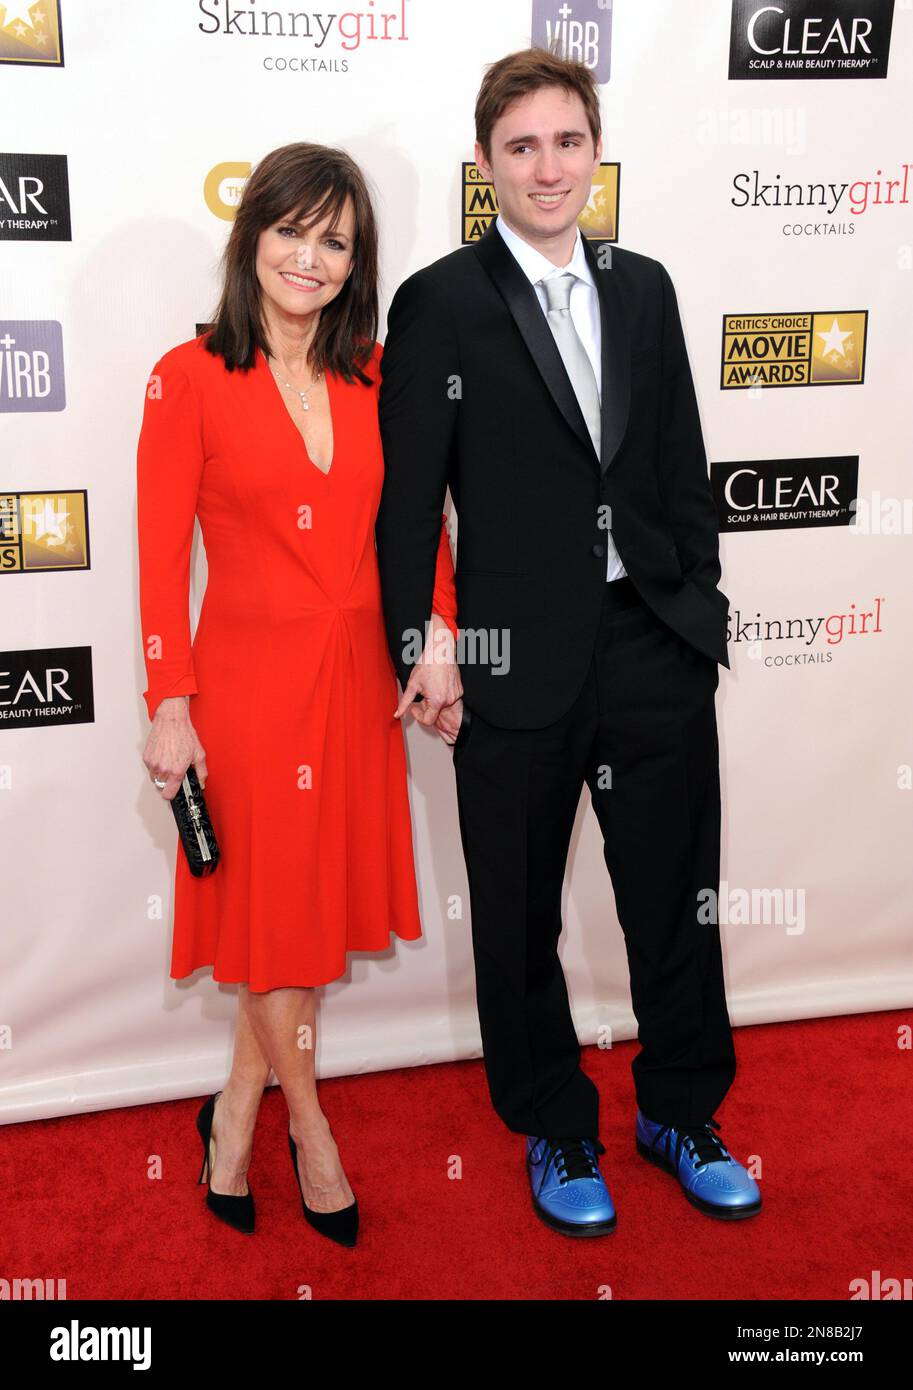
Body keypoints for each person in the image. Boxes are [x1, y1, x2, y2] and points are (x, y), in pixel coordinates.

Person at [375, 47, 762, 1237]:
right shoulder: (441, 300)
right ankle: (554, 1125)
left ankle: (680, 1111)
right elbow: (406, 504)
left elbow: (677, 466)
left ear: (597, 152)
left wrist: (693, 602)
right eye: (522, 147)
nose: (549, 168)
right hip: (508, 655)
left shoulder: (642, 288)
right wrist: (421, 643)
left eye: (568, 142)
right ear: (485, 165)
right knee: (517, 913)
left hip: (649, 642)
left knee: (673, 899)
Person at [137, 142, 457, 1244]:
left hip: (357, 682)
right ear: (252, 236)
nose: (310, 257)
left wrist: (438, 637)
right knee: (276, 928)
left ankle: (232, 1120)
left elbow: (413, 532)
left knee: (297, 926)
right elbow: (153, 555)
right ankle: (310, 1134)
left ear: (354, 258)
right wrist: (168, 701)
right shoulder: (188, 377)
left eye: (334, 239)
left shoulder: (373, 376)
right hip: (247, 691)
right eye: (291, 231)